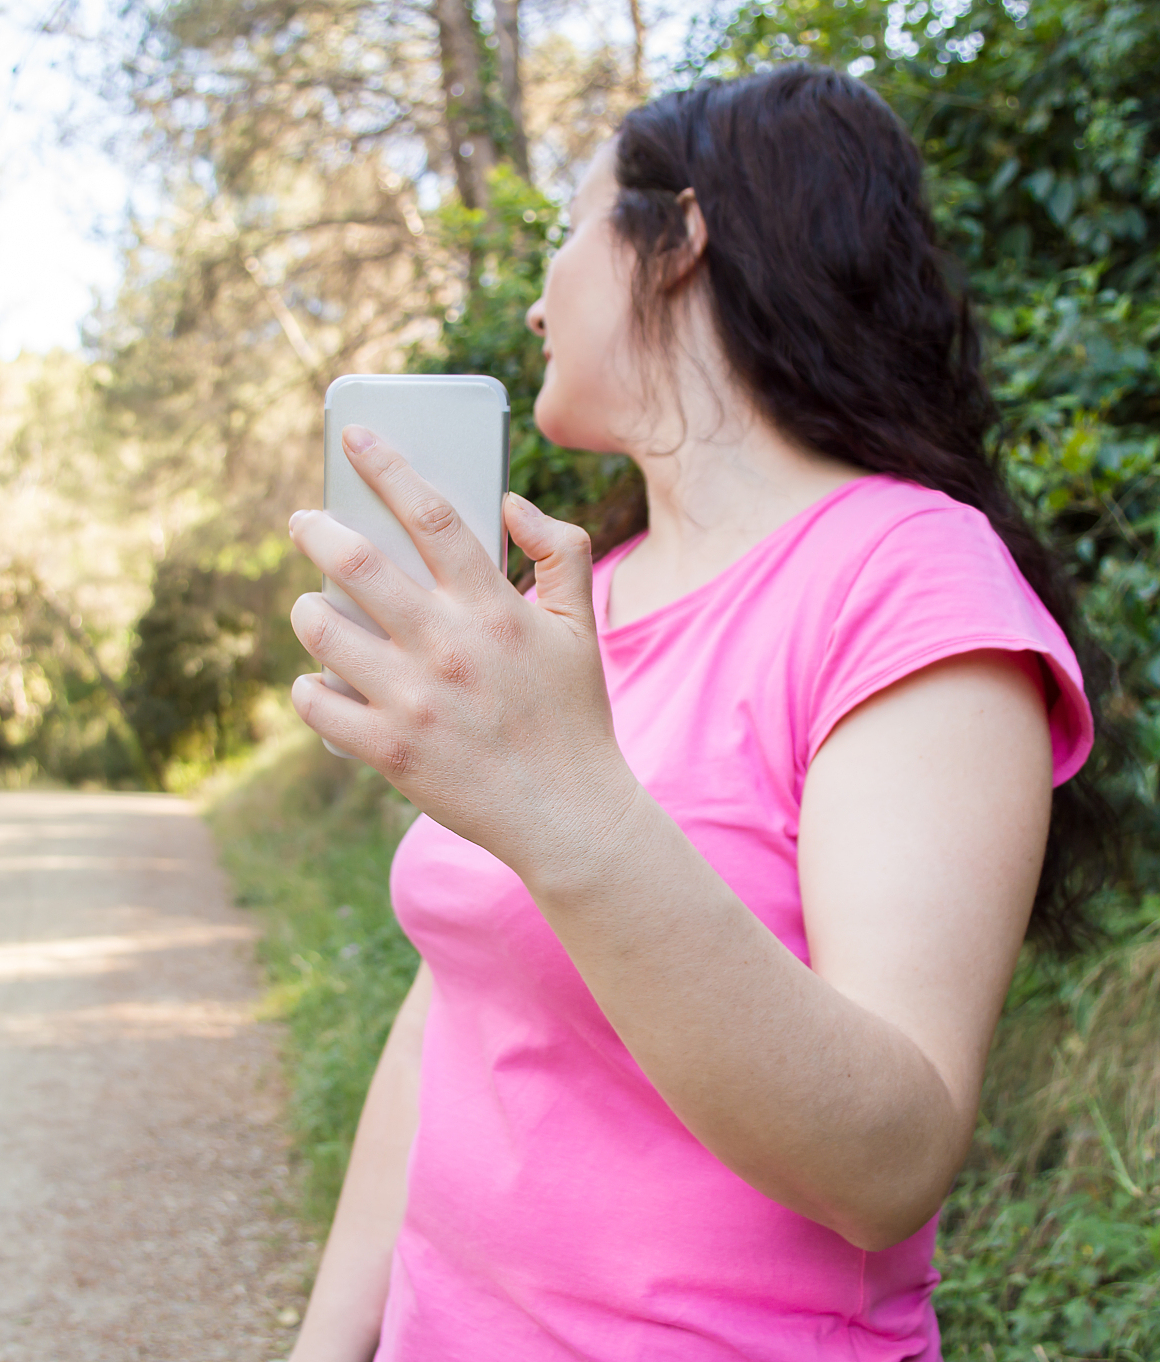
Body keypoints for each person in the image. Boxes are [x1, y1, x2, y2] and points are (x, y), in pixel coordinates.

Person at [281, 64, 1112, 1362]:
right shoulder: (575, 602)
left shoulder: (908, 578)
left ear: (677, 240)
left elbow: (888, 1160)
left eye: (567, 227)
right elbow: (457, 1002)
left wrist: (564, 807)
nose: (535, 291)